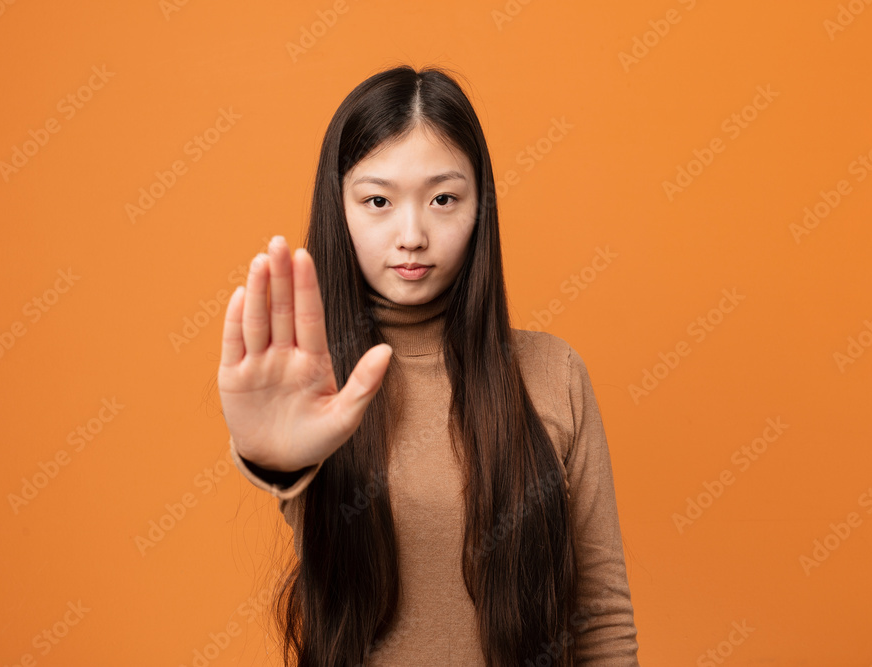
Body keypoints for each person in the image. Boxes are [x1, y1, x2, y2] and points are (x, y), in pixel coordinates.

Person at [217, 64, 640, 666]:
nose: (411, 234)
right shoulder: (317, 384)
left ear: (479, 208)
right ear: (339, 208)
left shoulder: (555, 373)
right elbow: (285, 462)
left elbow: (601, 619)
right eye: (378, 201)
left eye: (443, 198)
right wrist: (272, 460)